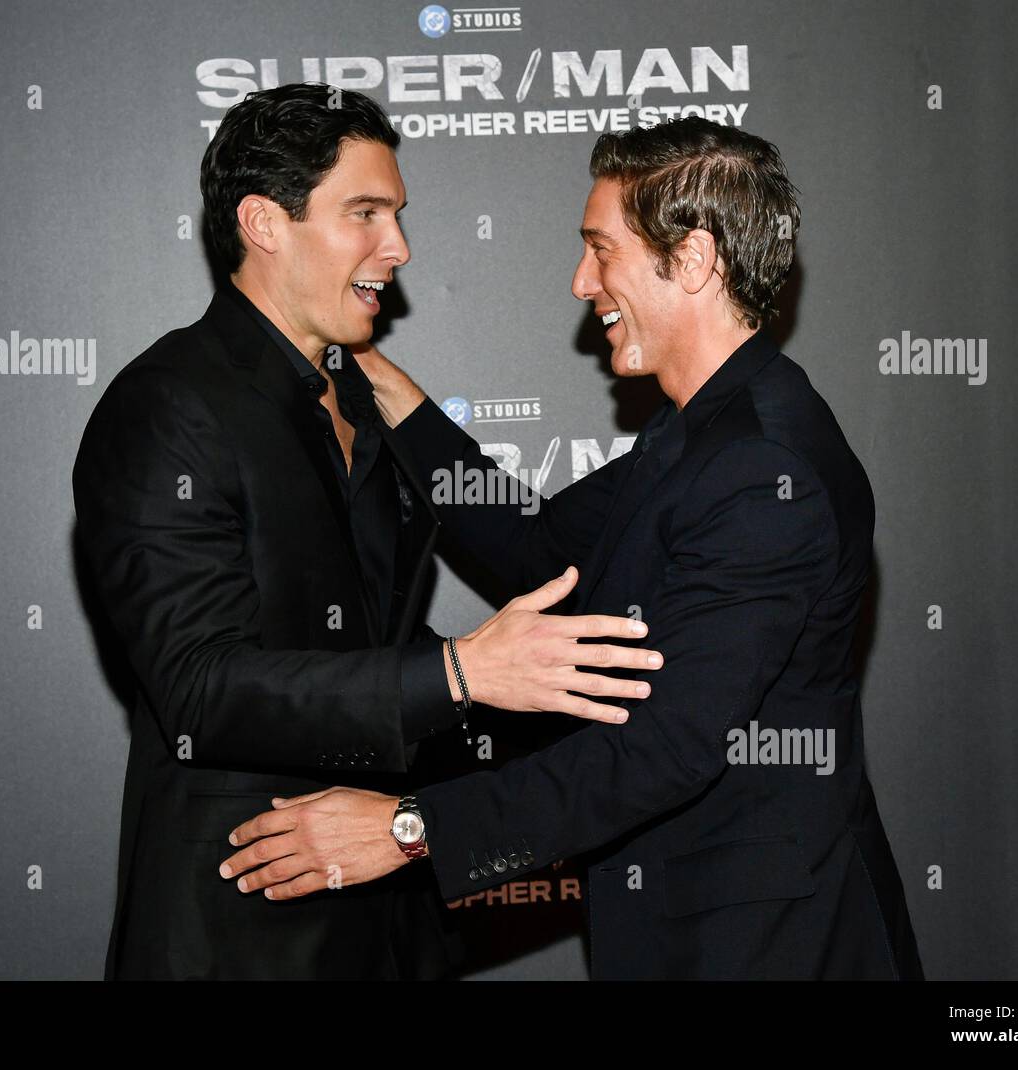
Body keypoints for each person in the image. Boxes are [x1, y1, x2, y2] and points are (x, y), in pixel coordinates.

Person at [220, 116, 925, 981]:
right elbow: (541, 548)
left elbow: (664, 748)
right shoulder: (700, 431)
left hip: (768, 949)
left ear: (693, 259)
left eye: (602, 249)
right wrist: (382, 387)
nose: (582, 280)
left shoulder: (760, 466)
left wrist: (408, 827)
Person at [71, 84, 662, 980]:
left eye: (397, 213)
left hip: (391, 919)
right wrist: (465, 671)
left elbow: (369, 643)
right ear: (265, 223)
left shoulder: (360, 399)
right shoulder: (168, 406)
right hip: (242, 931)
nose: (400, 248)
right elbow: (197, 684)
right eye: (365, 213)